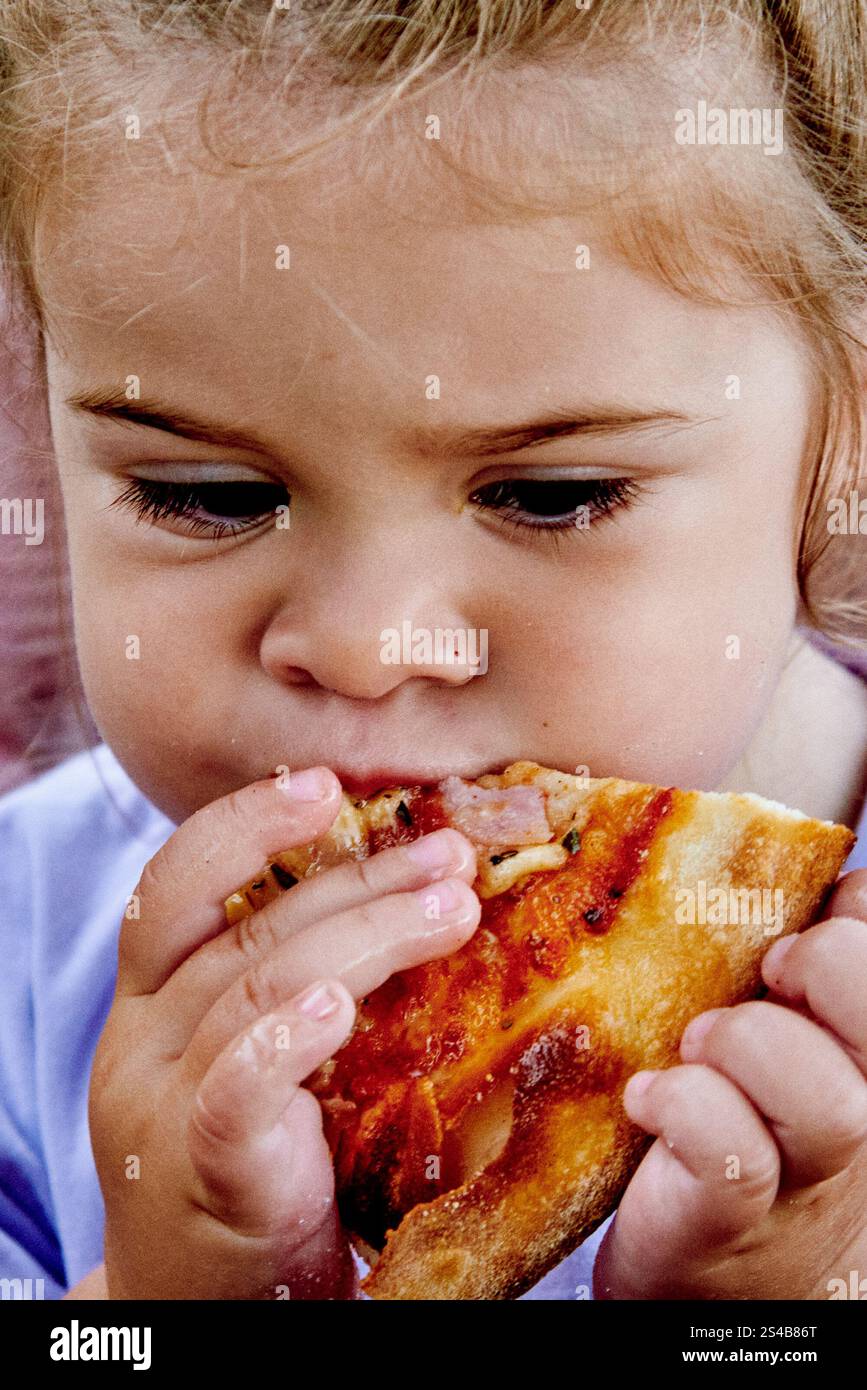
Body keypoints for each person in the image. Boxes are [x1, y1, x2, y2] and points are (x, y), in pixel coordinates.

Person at [0, 0, 865, 1300]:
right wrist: (155, 1294)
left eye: (553, 492)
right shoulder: (24, 943)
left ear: (842, 442)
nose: (363, 646)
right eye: (209, 495)